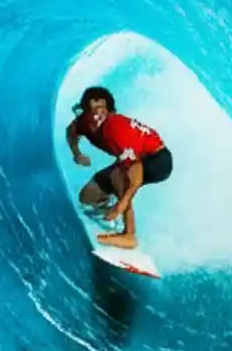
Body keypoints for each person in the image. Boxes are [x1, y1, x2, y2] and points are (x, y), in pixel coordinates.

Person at [65, 86, 173, 249]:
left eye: (102, 109)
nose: (97, 114)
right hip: (135, 158)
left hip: (158, 160)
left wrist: (121, 206)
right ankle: (106, 207)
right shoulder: (85, 122)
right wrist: (77, 153)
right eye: (93, 110)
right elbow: (71, 131)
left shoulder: (115, 130)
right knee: (88, 196)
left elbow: (135, 177)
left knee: (119, 177)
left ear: (110, 110)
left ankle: (129, 235)